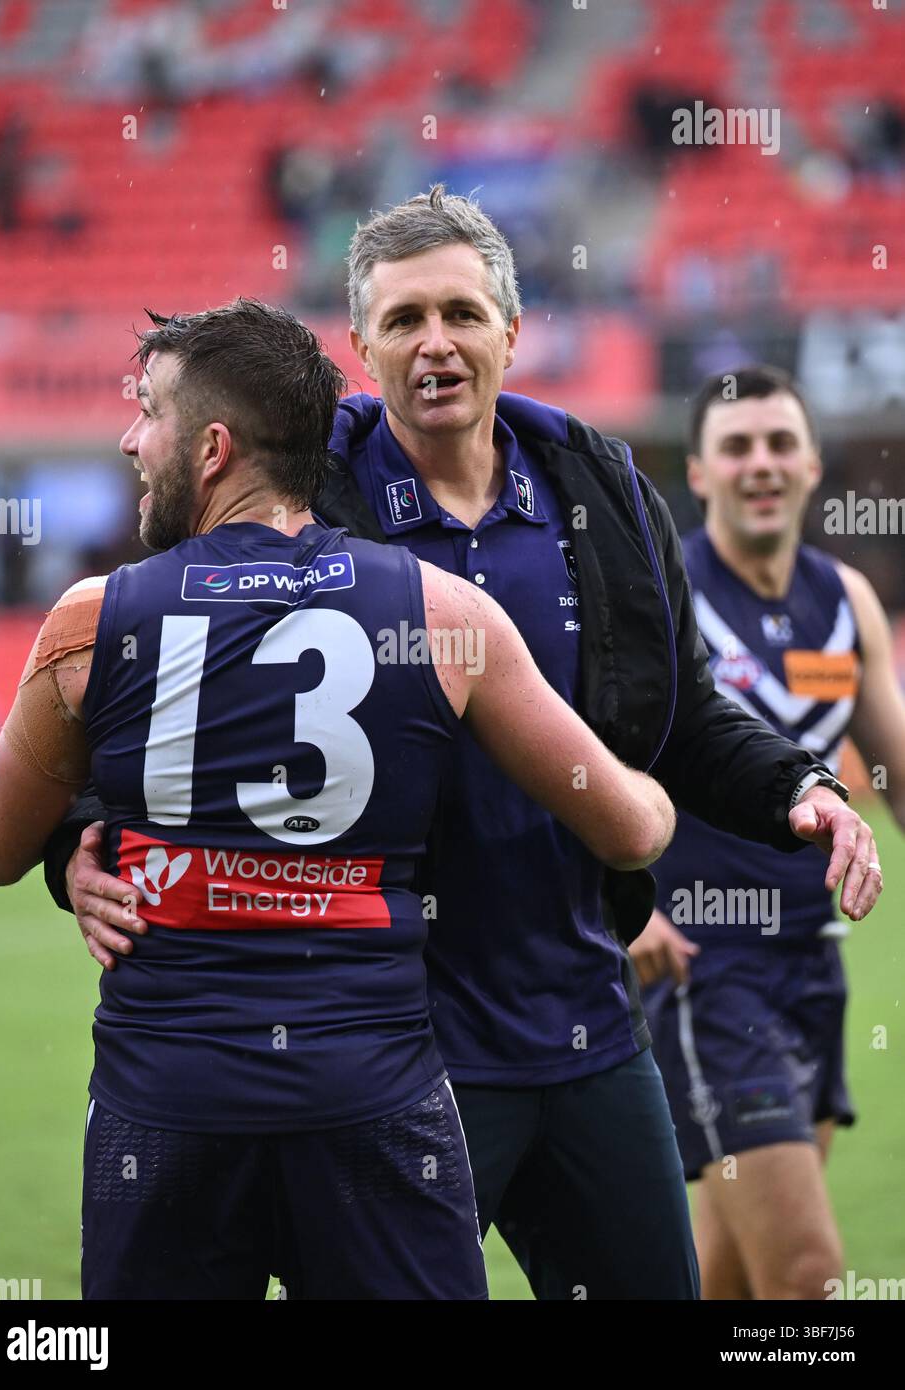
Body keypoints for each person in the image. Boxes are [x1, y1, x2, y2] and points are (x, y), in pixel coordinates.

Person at [44, 191, 881, 1301]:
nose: (435, 341)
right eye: (402, 321)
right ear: (360, 348)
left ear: (511, 331)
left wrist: (801, 786)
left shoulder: (603, 488)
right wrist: (75, 840)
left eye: (460, 312)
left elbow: (679, 714)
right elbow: (134, 670)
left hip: (587, 1023)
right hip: (391, 1049)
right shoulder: (301, 500)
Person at [0, 299, 677, 1301]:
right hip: (373, 1107)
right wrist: (660, 790)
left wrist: (91, 839)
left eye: (148, 413)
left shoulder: (92, 621)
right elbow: (632, 827)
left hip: (167, 1109)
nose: (130, 438)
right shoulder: (441, 610)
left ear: (211, 449)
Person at [631, 365, 905, 1300]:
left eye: (780, 443)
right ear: (698, 473)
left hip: (813, 969)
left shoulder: (847, 601)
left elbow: (899, 781)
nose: (762, 464)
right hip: (705, 970)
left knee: (735, 1281)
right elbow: (582, 765)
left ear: (813, 463)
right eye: (737, 446)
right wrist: (622, 908)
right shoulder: (662, 599)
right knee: (811, 1276)